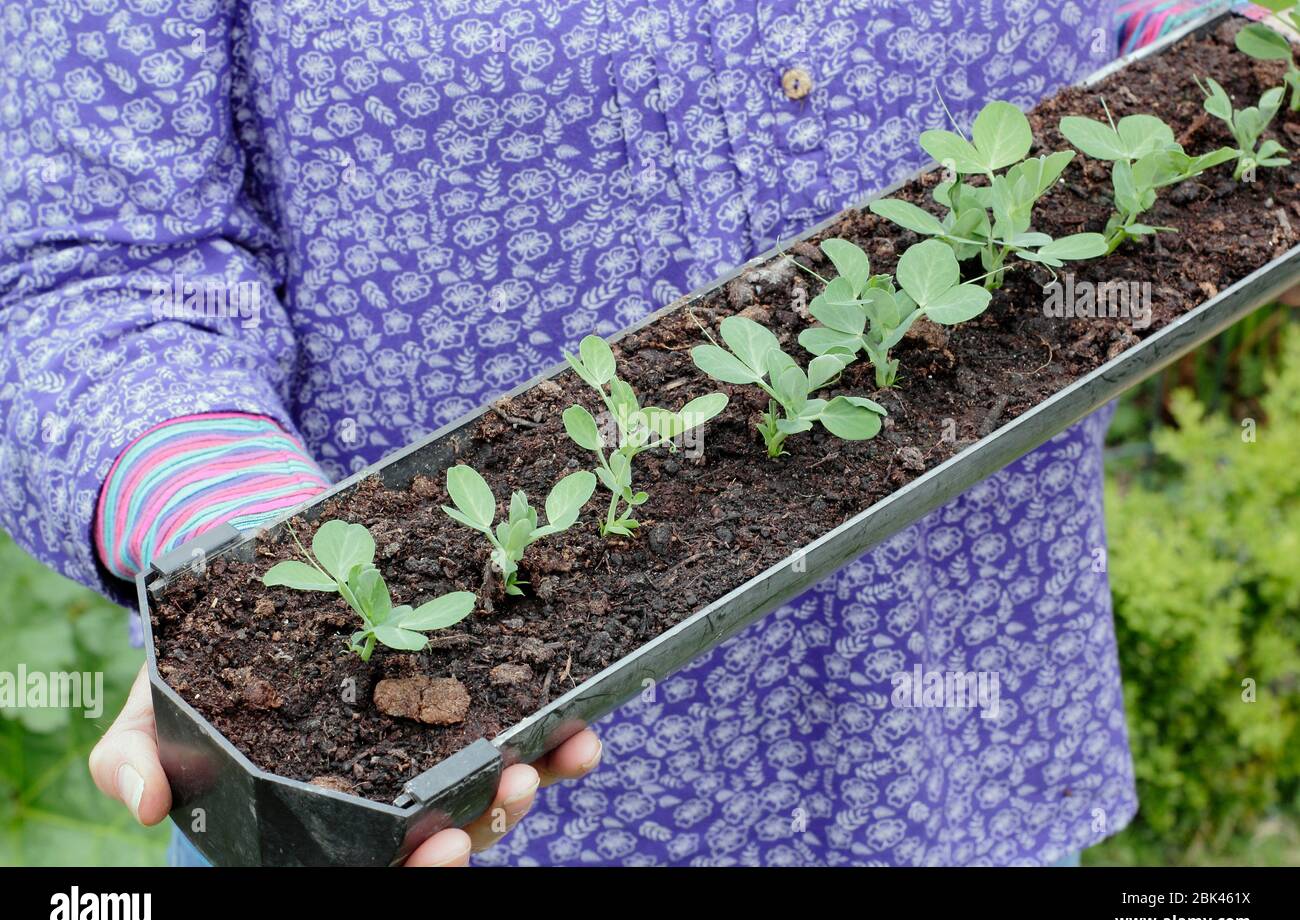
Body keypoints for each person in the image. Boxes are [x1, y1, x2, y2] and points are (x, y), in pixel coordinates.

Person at [3, 0, 1223, 866]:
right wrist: (264, 564)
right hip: (489, 815)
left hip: (948, 729)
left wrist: (1214, 81)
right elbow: (88, 269)